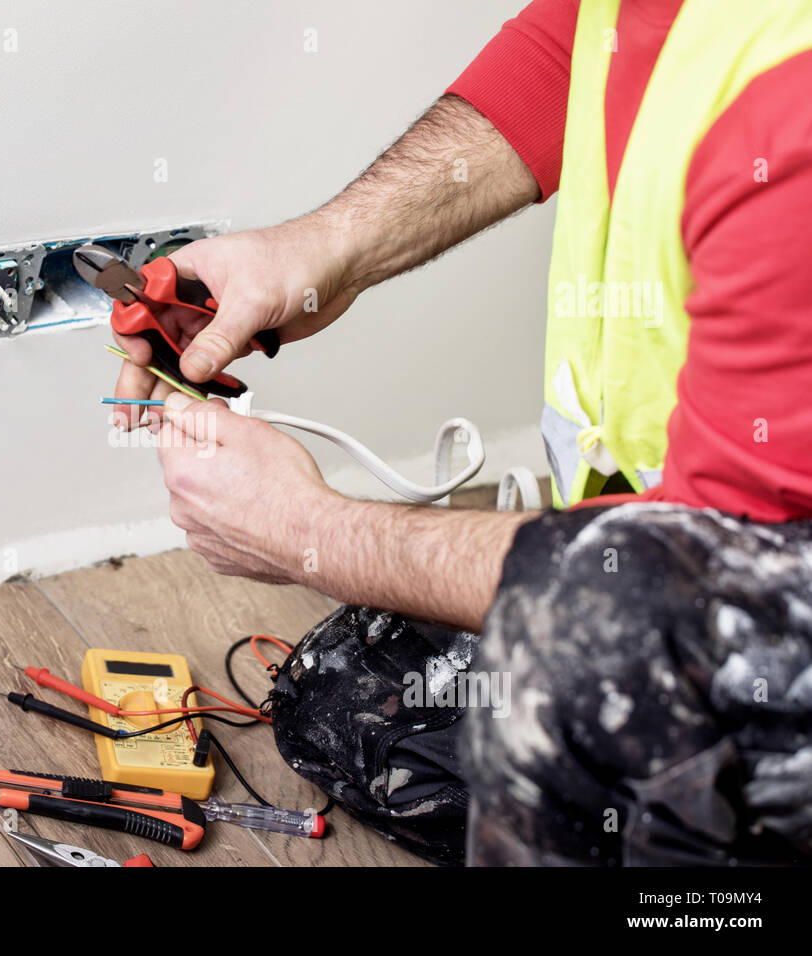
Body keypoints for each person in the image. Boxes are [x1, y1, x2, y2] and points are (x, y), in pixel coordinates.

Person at [110, 0, 812, 865]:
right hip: (671, 547)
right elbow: (578, 46)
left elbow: (686, 595)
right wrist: (321, 250)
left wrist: (305, 532)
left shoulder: (794, 114)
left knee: (577, 728)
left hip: (729, 609)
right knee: (354, 702)